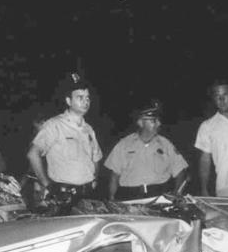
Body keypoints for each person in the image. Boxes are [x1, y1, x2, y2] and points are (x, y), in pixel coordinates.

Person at [26, 72, 102, 200]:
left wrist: (95, 179)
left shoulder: (88, 129)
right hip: (64, 195)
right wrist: (48, 185)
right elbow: (33, 154)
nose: (86, 101)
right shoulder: (54, 125)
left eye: (88, 98)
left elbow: (96, 158)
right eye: (80, 97)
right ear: (68, 101)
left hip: (88, 194)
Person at [104, 100, 188, 199]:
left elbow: (180, 171)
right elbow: (114, 176)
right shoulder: (124, 145)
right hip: (130, 197)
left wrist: (176, 193)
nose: (159, 123)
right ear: (140, 123)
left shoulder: (166, 144)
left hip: (159, 196)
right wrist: (111, 198)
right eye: (153, 121)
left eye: (158, 120)